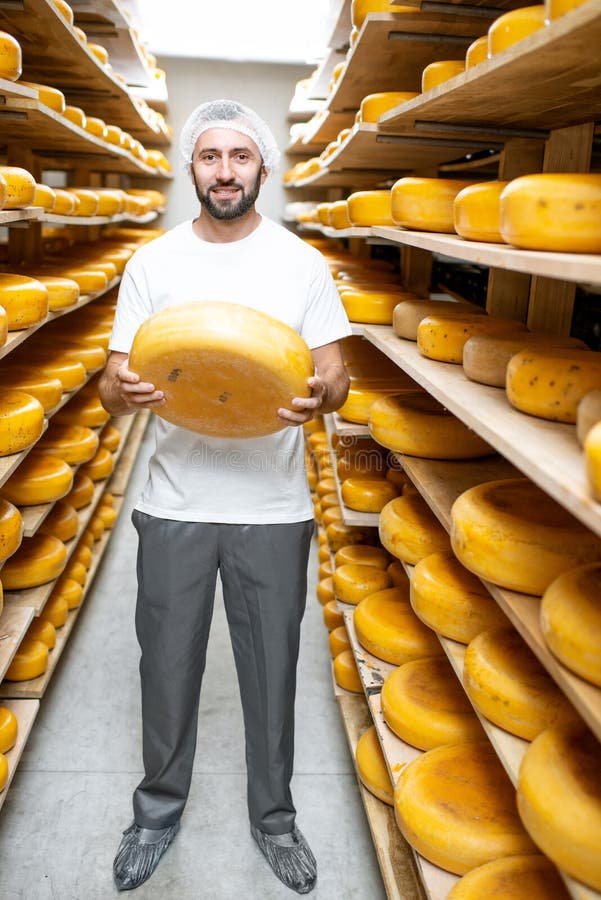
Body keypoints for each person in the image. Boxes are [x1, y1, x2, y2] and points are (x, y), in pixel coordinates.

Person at [98, 99, 351, 894]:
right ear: (191, 169)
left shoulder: (301, 266)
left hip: (273, 506)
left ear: (262, 170)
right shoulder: (154, 264)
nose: (225, 171)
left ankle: (273, 819)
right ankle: (156, 814)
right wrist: (124, 391)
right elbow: (109, 387)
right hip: (174, 500)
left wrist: (324, 395)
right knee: (166, 666)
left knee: (272, 670)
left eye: (240, 157)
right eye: (210, 157)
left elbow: (336, 373)